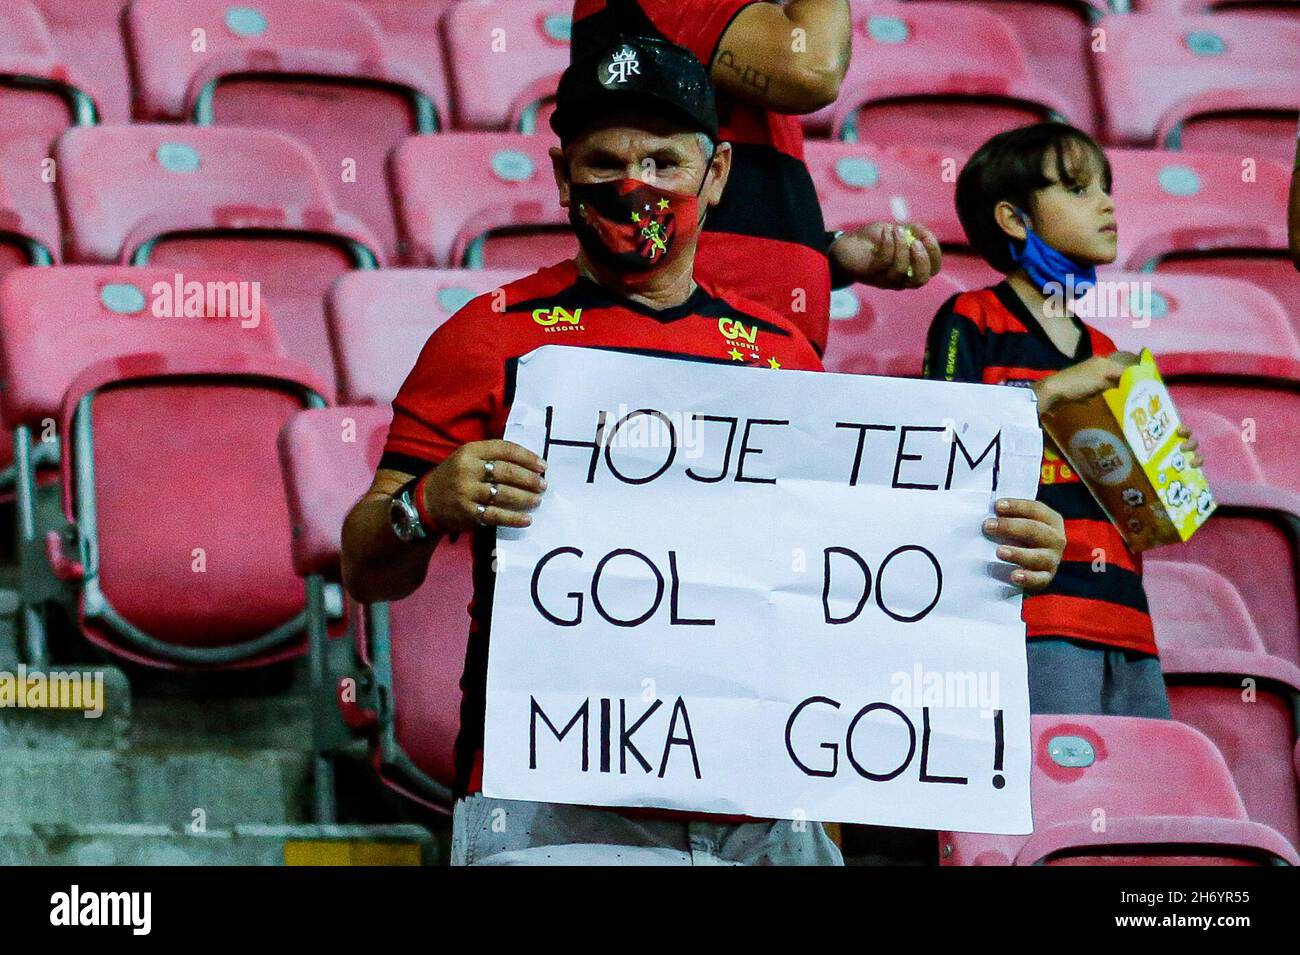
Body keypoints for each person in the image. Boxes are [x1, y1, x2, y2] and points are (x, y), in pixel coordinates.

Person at [341, 38, 1066, 865]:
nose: (633, 184)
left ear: (715, 174)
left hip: (763, 803)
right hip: (552, 805)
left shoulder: (780, 355)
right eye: (604, 160)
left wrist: (996, 554)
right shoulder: (488, 335)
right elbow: (368, 567)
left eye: (663, 160)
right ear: (560, 173)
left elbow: (859, 578)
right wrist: (425, 500)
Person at [922, 122, 1205, 718]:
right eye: (1078, 189)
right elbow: (938, 442)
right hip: (1030, 615)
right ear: (1013, 218)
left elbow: (1139, 512)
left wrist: (1171, 478)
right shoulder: (970, 317)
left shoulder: (1103, 345)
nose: (1106, 203)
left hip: (1127, 622)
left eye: (1107, 188)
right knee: (1054, 803)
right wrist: (1048, 392)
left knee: (1133, 799)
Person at [571, 0, 944, 356]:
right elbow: (813, 70)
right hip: (691, 349)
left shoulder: (750, 33)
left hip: (752, 355)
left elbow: (734, 204)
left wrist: (828, 253)